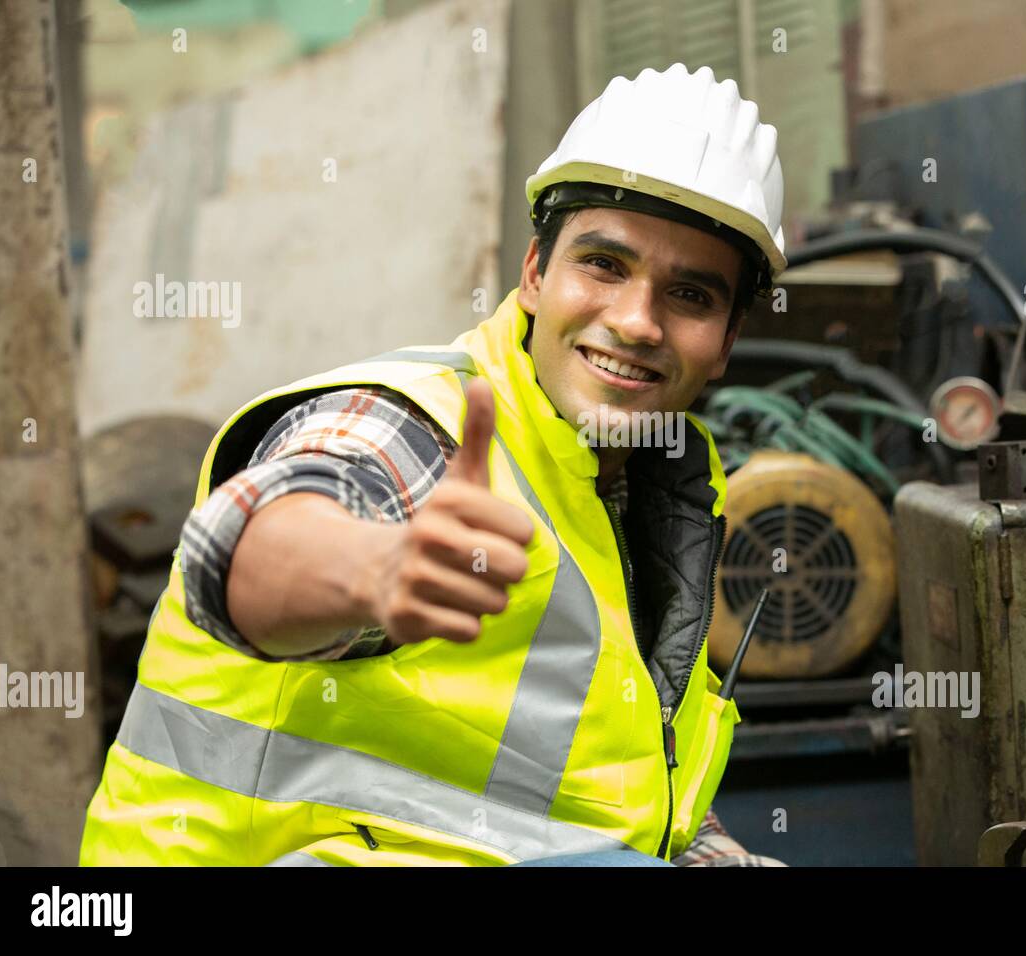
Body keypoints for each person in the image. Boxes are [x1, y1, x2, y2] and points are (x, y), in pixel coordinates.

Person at [80, 62, 787, 867]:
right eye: (603, 265)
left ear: (727, 340)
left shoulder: (658, 492)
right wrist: (374, 569)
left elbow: (612, 806)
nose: (635, 321)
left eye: (690, 296)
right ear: (534, 274)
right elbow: (257, 549)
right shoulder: (419, 428)